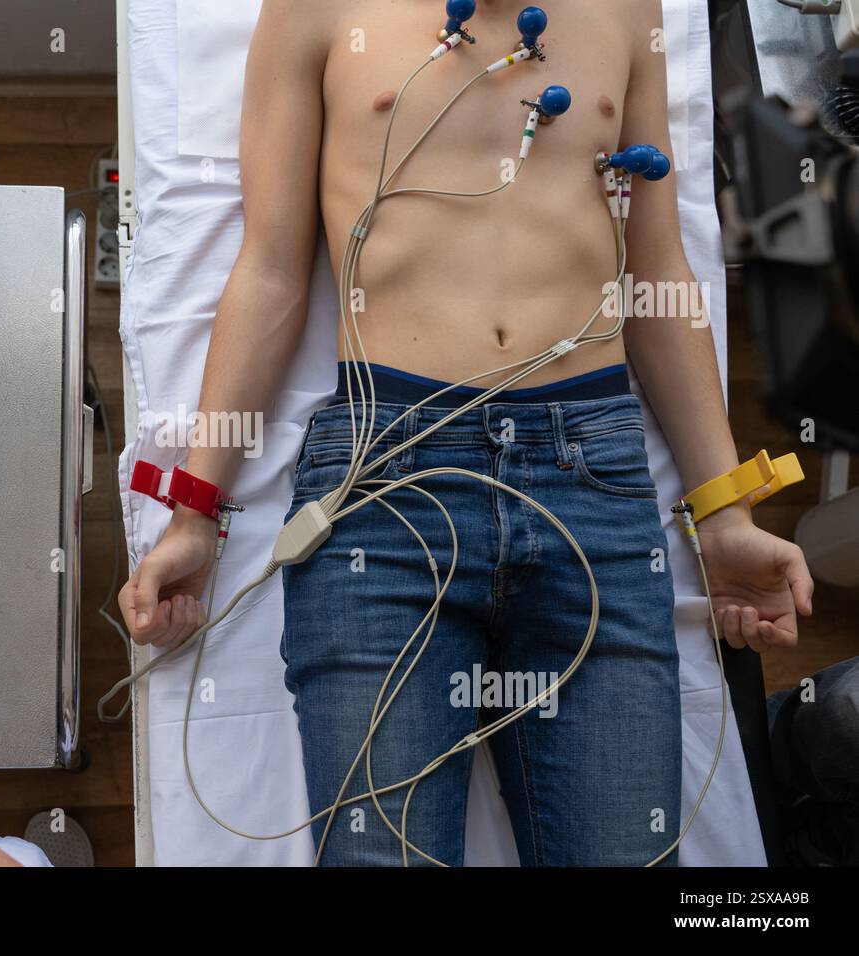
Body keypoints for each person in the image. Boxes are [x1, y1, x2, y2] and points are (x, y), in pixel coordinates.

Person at [118, 0, 814, 865]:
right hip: (383, 488)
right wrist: (196, 512)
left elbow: (658, 274)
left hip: (591, 480)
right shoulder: (315, 11)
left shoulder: (629, 11)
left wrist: (723, 514)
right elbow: (268, 268)